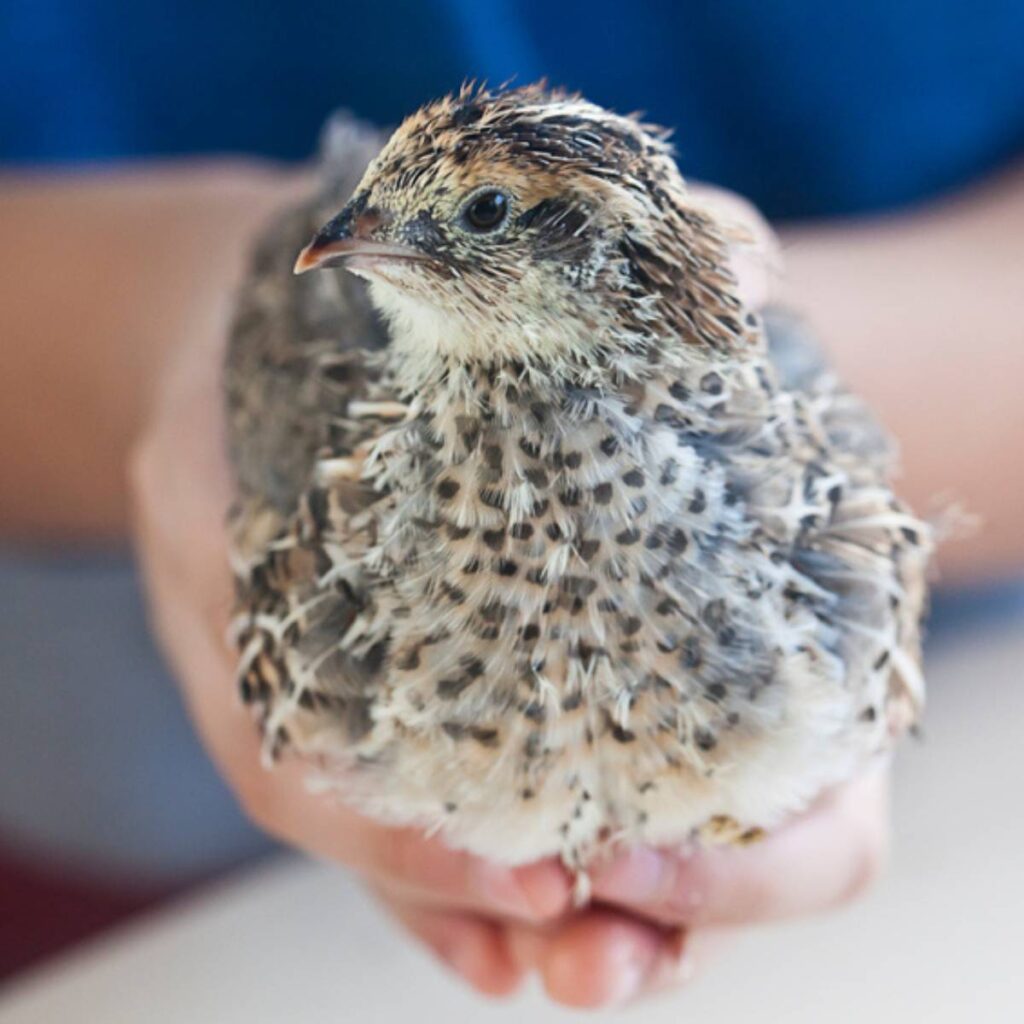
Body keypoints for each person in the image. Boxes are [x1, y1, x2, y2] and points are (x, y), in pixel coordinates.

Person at [2, 0, 1023, 1008]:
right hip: (133, 823)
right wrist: (177, 312)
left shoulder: (790, 501)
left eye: (484, 215)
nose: (356, 233)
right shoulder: (348, 548)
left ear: (598, 253)